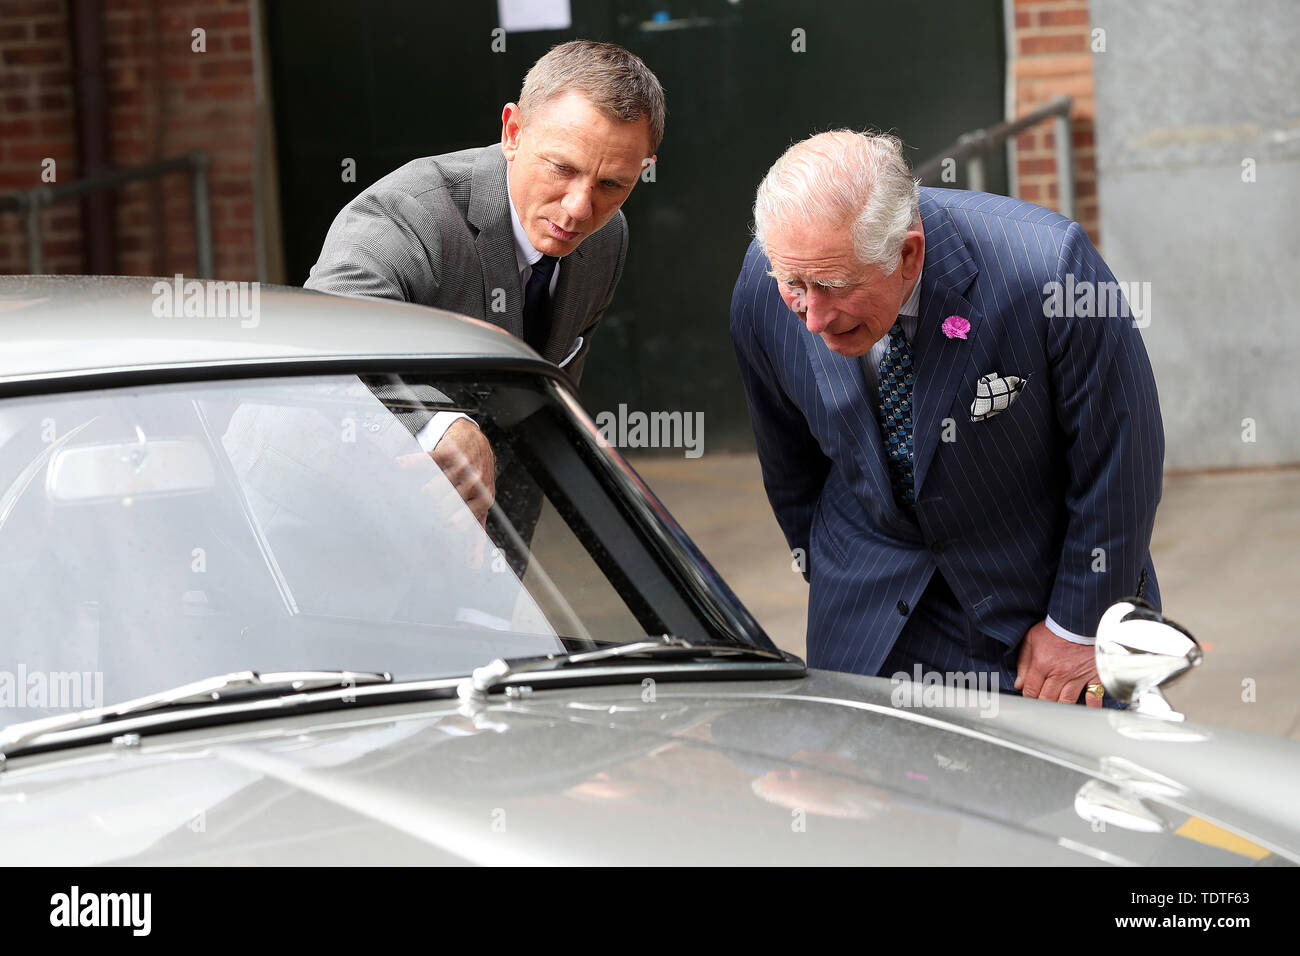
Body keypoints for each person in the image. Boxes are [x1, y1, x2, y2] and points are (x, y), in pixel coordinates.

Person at [730, 131, 1164, 709]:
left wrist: (1078, 626)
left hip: (1042, 614)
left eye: (834, 287)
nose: (812, 317)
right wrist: (840, 575)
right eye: (795, 286)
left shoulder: (1047, 268)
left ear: (907, 254)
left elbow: (1121, 457)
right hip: (870, 623)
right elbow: (791, 469)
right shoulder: (765, 284)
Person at [305, 40, 664, 519]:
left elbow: (536, 419)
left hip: (459, 531)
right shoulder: (407, 214)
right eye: (563, 168)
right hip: (315, 512)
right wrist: (439, 422)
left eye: (612, 184)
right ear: (512, 131)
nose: (580, 208)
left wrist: (499, 564)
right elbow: (323, 333)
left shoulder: (606, 240)